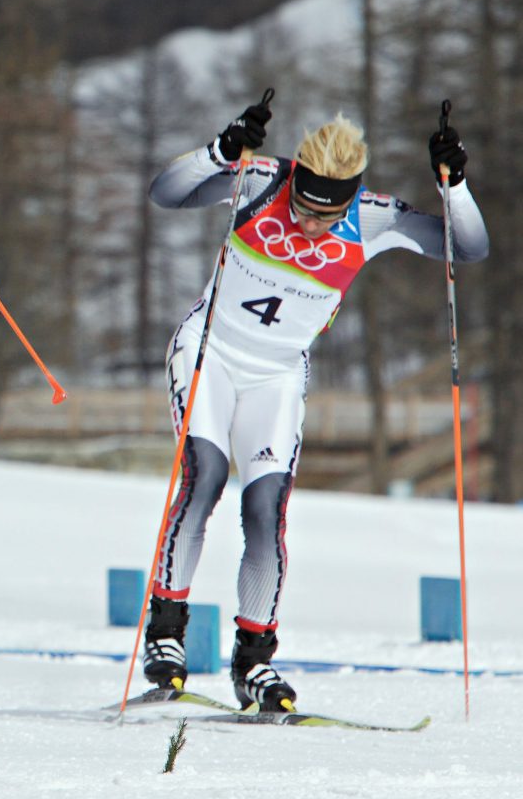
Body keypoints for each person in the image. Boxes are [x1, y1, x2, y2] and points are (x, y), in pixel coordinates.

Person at [142, 100, 486, 712]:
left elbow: (469, 248)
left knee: (265, 511)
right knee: (206, 477)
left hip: (275, 374)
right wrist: (217, 153)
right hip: (210, 353)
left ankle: (254, 661)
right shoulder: (262, 182)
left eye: (326, 218)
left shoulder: (375, 219)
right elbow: (168, 193)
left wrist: (454, 187)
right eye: (302, 210)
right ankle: (166, 633)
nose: (307, 227)